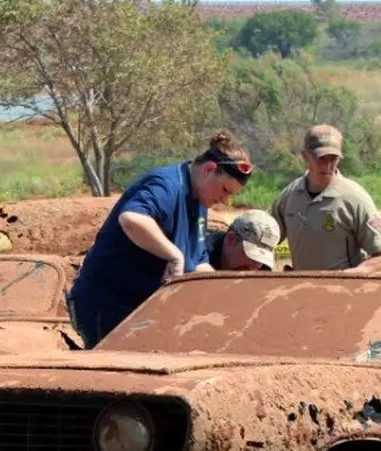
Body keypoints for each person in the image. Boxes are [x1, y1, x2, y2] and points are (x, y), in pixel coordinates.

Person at [68, 131, 254, 348]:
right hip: (108, 304)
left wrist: (227, 296)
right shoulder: (167, 185)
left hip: (142, 309)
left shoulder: (199, 203)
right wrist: (173, 254)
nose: (224, 199)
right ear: (209, 170)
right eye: (224, 190)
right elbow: (131, 219)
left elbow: (199, 263)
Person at [270, 125, 381, 272]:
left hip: (342, 291)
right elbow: (264, 239)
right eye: (321, 158)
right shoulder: (289, 196)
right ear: (305, 156)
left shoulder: (355, 198)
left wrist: (350, 275)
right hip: (300, 290)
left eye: (333, 158)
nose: (327, 165)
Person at [205, 210, 281, 271]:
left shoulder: (263, 268)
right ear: (231, 239)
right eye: (252, 256)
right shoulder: (198, 256)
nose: (257, 266)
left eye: (263, 259)